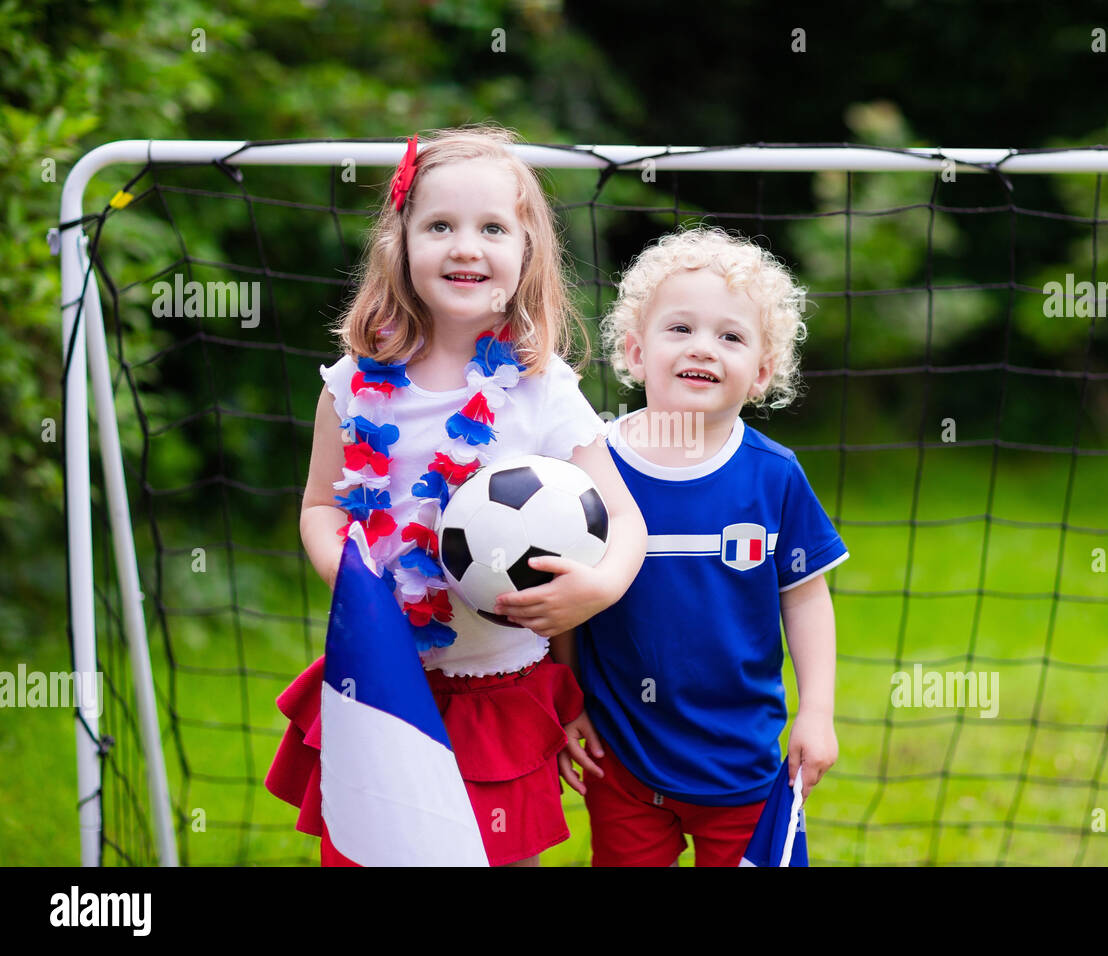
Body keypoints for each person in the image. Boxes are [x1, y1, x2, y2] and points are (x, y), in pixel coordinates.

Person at [266, 125, 647, 867]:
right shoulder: (350, 385)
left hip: (497, 687)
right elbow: (321, 507)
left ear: (527, 251)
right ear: (400, 242)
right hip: (378, 675)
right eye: (440, 225)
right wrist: (348, 577)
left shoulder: (542, 390)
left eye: (492, 228)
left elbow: (624, 519)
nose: (465, 247)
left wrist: (596, 588)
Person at [550, 226, 848, 866]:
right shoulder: (590, 468)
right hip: (624, 760)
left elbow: (805, 599)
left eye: (731, 336)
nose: (703, 349)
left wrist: (816, 713)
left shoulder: (773, 475)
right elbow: (567, 601)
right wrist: (568, 698)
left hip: (742, 764)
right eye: (680, 329)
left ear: (762, 372)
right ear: (634, 352)